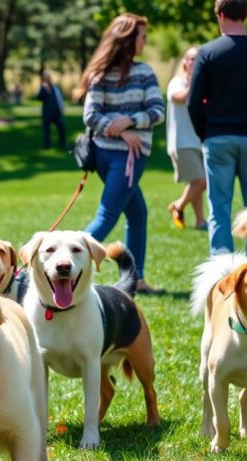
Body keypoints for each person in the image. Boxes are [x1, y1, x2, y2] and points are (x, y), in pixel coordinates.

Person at [76, 13, 165, 293]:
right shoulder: (102, 75)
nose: (145, 41)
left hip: (119, 154)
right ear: (129, 40)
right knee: (108, 214)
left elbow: (157, 111)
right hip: (123, 158)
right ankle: (62, 260)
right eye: (142, 36)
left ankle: (135, 278)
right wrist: (123, 131)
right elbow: (90, 116)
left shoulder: (144, 72)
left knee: (138, 213)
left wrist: (129, 122)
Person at [187, 0, 247, 256]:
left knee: (219, 209)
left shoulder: (207, 52)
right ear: (246, 14)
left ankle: (222, 266)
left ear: (220, 15)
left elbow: (194, 101)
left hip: (217, 137)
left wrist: (204, 133)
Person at [165, 47, 207, 230]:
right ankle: (179, 205)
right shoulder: (177, 82)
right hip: (182, 142)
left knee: (195, 182)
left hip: (200, 140)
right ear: (184, 62)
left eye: (198, 58)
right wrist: (195, 84)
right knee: (201, 181)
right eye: (191, 58)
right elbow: (180, 98)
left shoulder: (204, 84)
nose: (194, 61)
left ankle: (200, 221)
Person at [38, 71, 67, 149]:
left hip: (56, 113)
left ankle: (62, 143)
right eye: (46, 78)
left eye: (48, 78)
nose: (47, 80)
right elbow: (39, 97)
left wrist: (61, 108)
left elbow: (59, 99)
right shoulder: (43, 87)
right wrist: (44, 89)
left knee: (61, 127)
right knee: (46, 130)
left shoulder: (55, 87)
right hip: (46, 113)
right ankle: (47, 145)